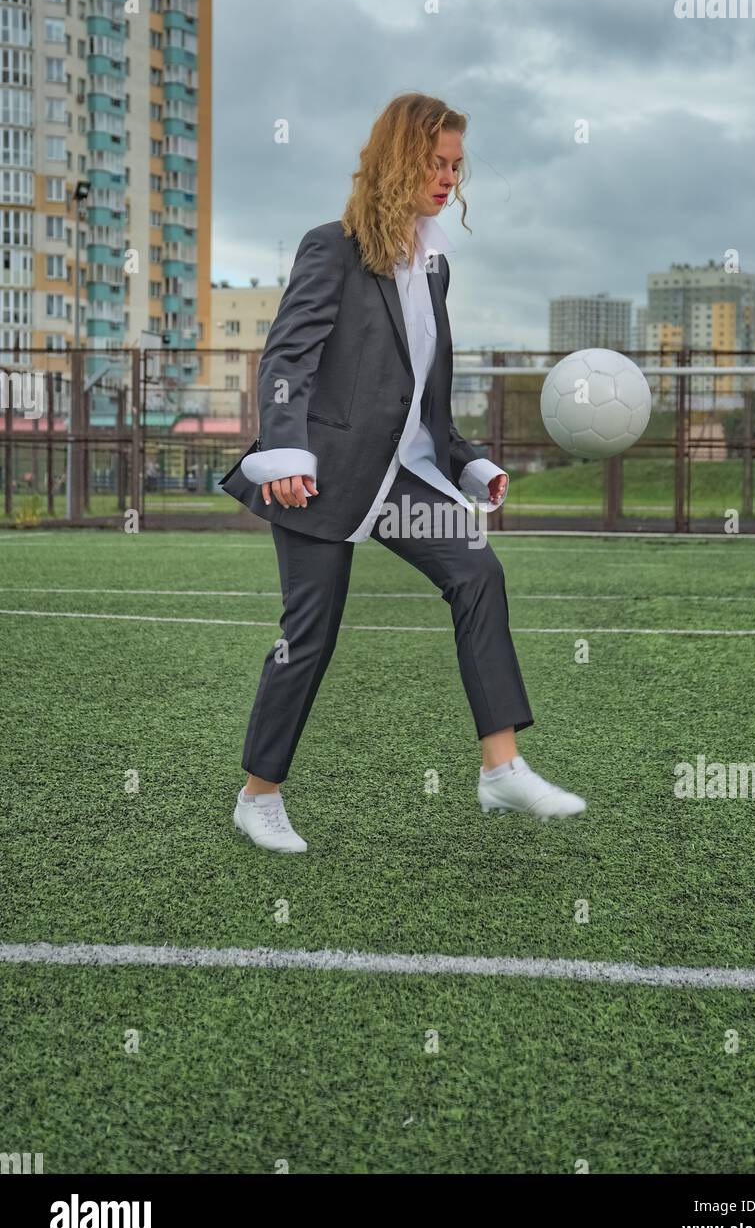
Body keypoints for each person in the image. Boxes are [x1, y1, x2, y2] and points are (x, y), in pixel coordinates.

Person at [220, 93, 586, 853]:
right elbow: (287, 360)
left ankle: (499, 766)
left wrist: (466, 460)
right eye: (434, 162)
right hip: (317, 474)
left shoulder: (434, 267)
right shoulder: (332, 247)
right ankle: (259, 797)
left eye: (456, 165)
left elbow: (420, 391)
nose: (449, 177)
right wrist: (284, 453)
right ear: (397, 161)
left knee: (477, 573)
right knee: (308, 635)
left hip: (402, 476)